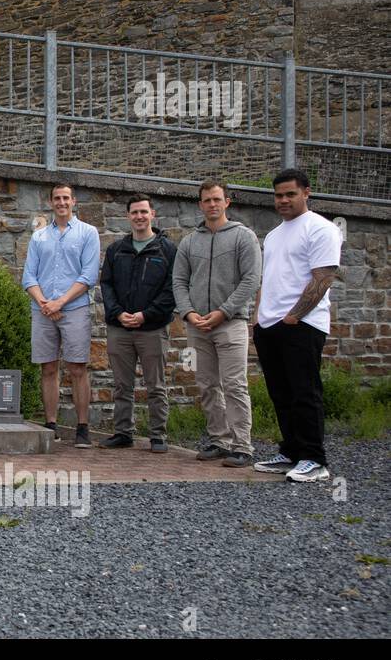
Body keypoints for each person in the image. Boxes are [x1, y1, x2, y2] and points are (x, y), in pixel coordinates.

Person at [252, 169, 342, 482]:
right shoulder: (275, 234)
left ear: (306, 192)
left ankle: (314, 459)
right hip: (269, 324)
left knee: (305, 392)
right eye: (278, 195)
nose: (283, 200)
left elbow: (324, 277)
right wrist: (258, 317)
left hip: (302, 325)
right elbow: (269, 278)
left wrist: (294, 316)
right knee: (281, 392)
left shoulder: (321, 229)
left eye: (290, 194)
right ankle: (290, 451)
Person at [172, 179, 261, 468]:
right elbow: (179, 281)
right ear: (200, 204)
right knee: (207, 384)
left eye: (217, 199)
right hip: (197, 325)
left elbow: (251, 279)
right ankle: (219, 441)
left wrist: (223, 311)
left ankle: (242, 446)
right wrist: (188, 313)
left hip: (231, 322)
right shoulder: (189, 241)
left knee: (234, 384)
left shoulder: (243, 237)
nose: (212, 204)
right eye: (207, 200)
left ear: (227, 202)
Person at [21, 183, 101, 448]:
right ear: (51, 202)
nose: (62, 202)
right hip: (42, 310)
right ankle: (51, 424)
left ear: (74, 201)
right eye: (57, 198)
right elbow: (29, 276)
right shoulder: (39, 236)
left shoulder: (88, 233)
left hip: (74, 309)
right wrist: (45, 303)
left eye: (66, 198)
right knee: (48, 368)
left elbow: (88, 276)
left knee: (77, 368)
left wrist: (60, 302)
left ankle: (82, 428)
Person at [98, 194, 177, 453]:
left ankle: (158, 435)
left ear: (153, 214)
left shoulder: (167, 250)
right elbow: (106, 285)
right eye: (134, 212)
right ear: (127, 216)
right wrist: (118, 312)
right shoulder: (116, 250)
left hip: (152, 328)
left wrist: (146, 315)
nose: (139, 217)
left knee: (155, 385)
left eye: (144, 212)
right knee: (123, 385)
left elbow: (171, 289)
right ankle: (123, 432)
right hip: (119, 328)